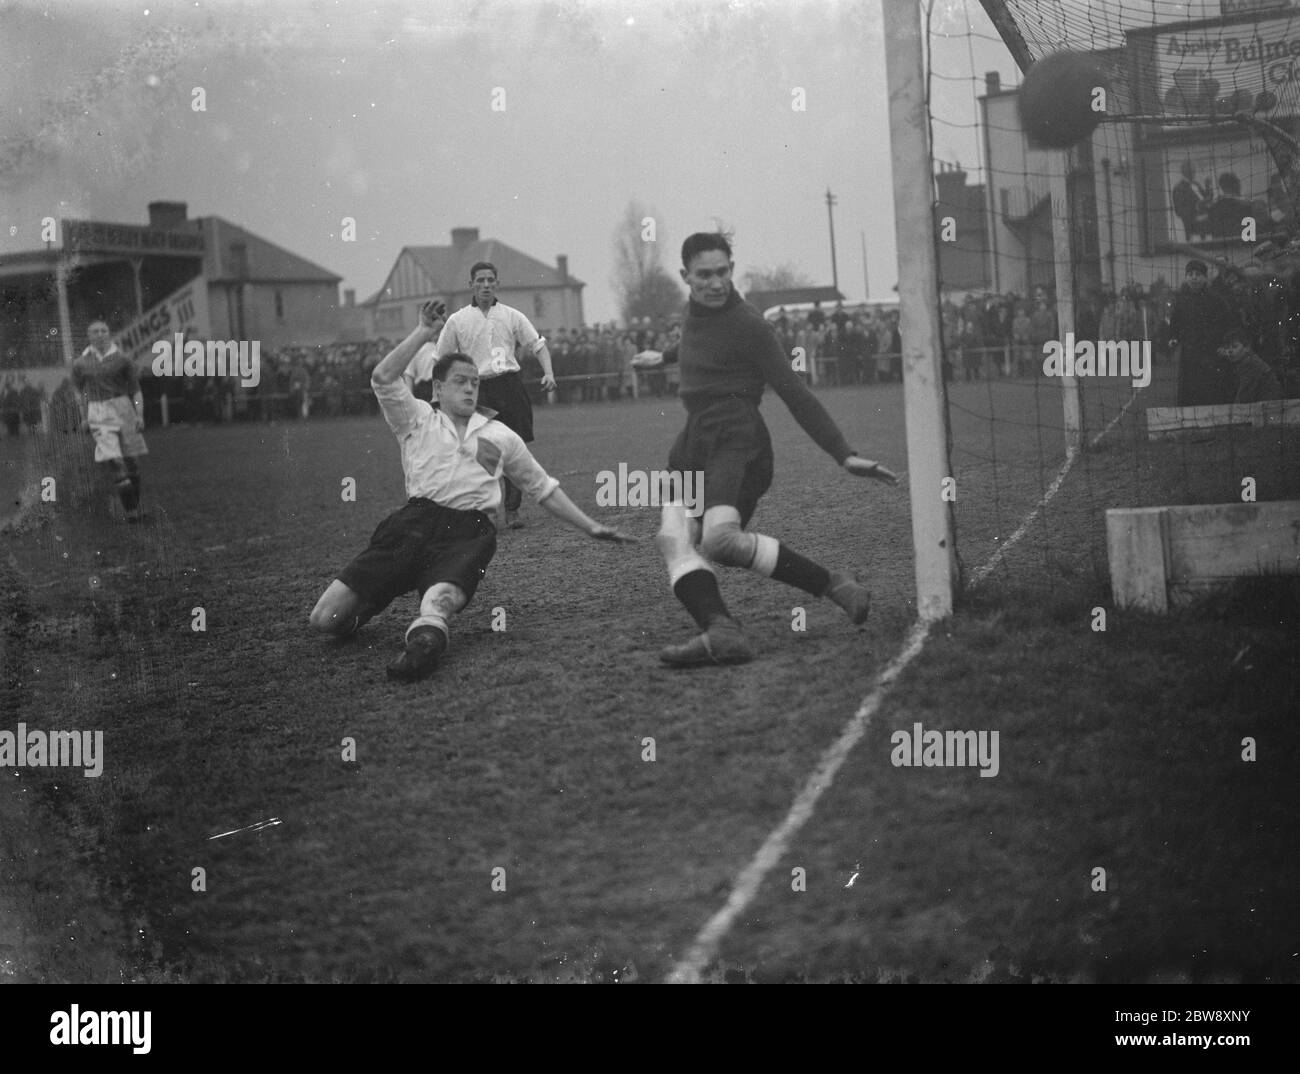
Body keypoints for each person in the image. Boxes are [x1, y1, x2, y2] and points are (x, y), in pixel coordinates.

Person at [310, 300, 630, 682]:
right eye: (460, 381)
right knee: (325, 619)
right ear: (438, 387)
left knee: (438, 601)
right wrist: (424, 333)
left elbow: (542, 487)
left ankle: (422, 649)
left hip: (467, 532)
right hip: (411, 524)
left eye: (475, 382)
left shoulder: (499, 435)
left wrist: (590, 526)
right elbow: (382, 377)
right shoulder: (417, 419)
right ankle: (370, 604)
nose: (470, 388)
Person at [652, 233, 898, 668]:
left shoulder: (751, 325)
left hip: (736, 439)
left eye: (723, 272)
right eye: (704, 275)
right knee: (672, 537)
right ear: (686, 277)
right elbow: (698, 337)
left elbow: (794, 392)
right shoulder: (693, 312)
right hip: (694, 440)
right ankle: (722, 631)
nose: (715, 283)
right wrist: (664, 355)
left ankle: (835, 585)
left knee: (720, 541)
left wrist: (843, 452)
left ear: (732, 269)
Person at [406, 263, 558, 529]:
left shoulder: (512, 316)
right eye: (480, 280)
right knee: (481, 451)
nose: (486, 285)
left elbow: (538, 345)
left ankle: (512, 511)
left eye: (490, 280)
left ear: (497, 284)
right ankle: (485, 511)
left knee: (512, 448)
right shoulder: (458, 320)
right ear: (472, 285)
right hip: (477, 391)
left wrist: (549, 373)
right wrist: (435, 396)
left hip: (509, 387)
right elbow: (439, 360)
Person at [71, 320, 147, 521]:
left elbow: (136, 390)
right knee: (114, 460)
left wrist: (139, 415)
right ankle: (131, 512)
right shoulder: (80, 363)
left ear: (109, 334)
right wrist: (84, 417)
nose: (100, 334)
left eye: (104, 330)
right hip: (98, 411)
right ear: (89, 336)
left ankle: (135, 505)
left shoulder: (123, 359)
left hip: (123, 408)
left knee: (132, 462)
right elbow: (78, 392)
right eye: (95, 331)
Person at [1169, 259, 1237, 406]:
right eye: (1191, 274)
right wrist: (1174, 338)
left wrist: (1224, 343)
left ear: (1205, 278)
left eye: (1198, 274)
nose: (1194, 277)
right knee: (1191, 388)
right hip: (1190, 354)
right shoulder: (1180, 301)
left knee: (1212, 388)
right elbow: (1175, 325)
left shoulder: (1216, 300)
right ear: (1186, 277)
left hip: (1212, 353)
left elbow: (1227, 324)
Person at [1219, 329, 1284, 403]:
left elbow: (1243, 396)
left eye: (1235, 347)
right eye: (1227, 347)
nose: (1230, 351)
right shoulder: (1244, 361)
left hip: (1270, 405)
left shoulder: (1250, 364)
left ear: (1246, 348)